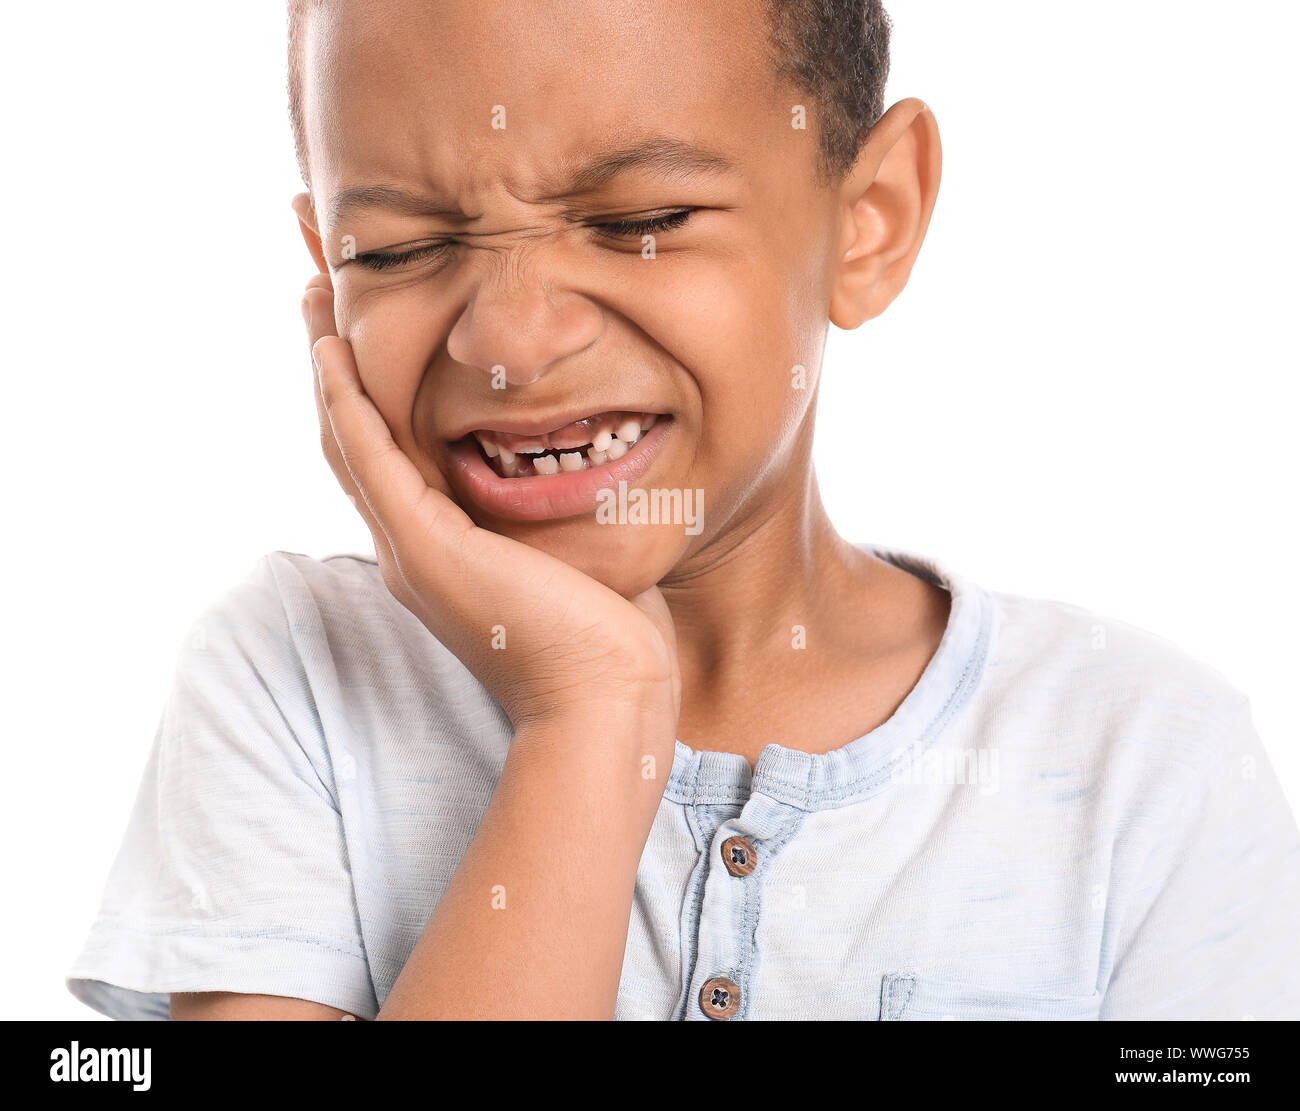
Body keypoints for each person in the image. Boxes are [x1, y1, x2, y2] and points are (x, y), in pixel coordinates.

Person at [66, 0, 1300, 1020]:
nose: (507, 340)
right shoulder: (296, 678)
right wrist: (590, 717)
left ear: (868, 222)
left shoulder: (1148, 767)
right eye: (395, 250)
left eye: (639, 223)